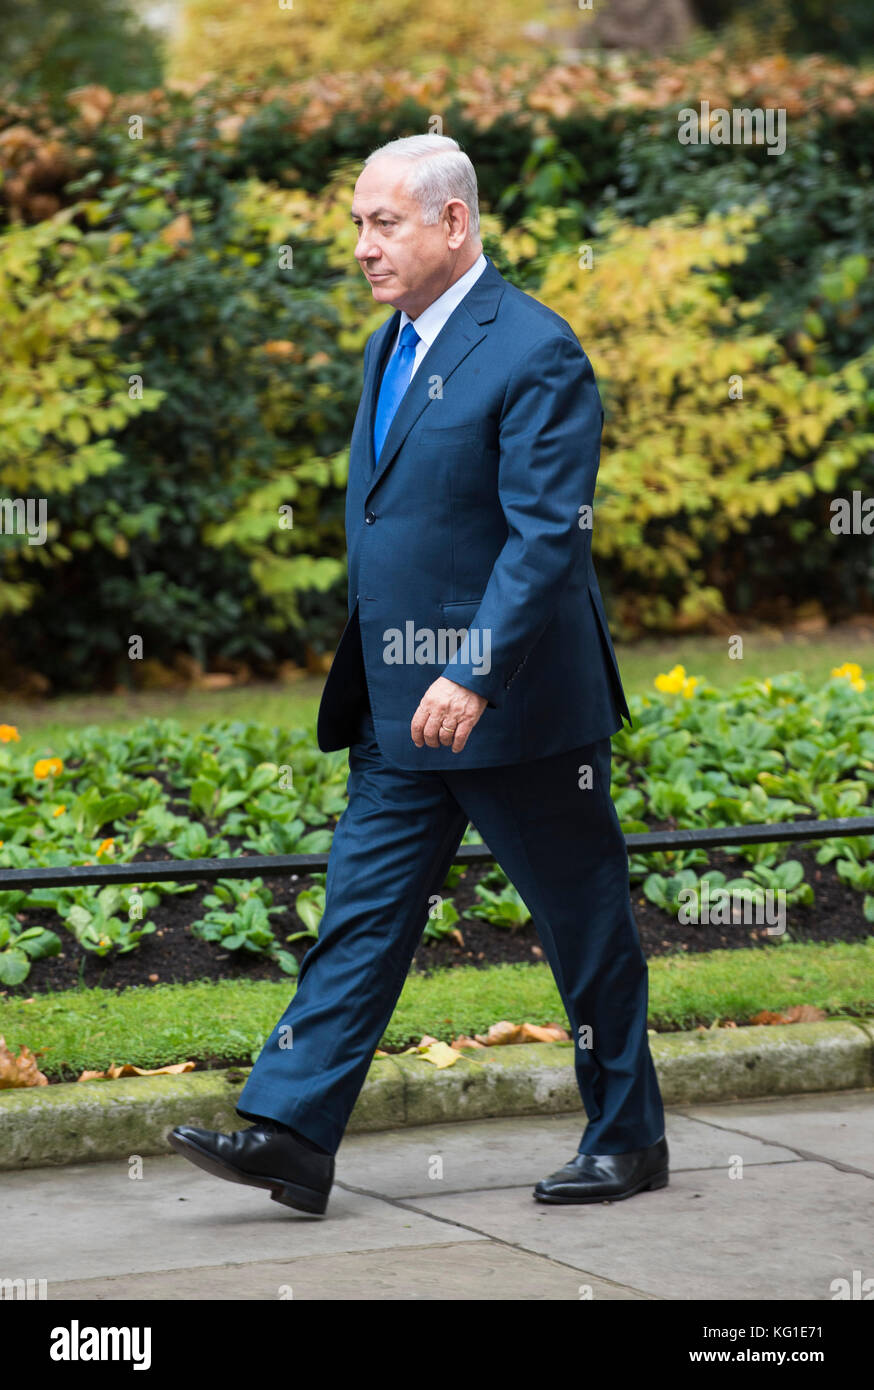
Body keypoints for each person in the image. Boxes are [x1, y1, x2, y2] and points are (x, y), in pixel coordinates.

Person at [170, 134, 667, 1216]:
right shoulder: (387, 343)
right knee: (361, 914)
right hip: (399, 708)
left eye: (382, 222)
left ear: (454, 223)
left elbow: (547, 539)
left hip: (518, 711)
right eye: (355, 222)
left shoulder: (537, 349)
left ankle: (628, 1139)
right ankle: (294, 1134)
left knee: (584, 930)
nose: (360, 246)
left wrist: (472, 672)